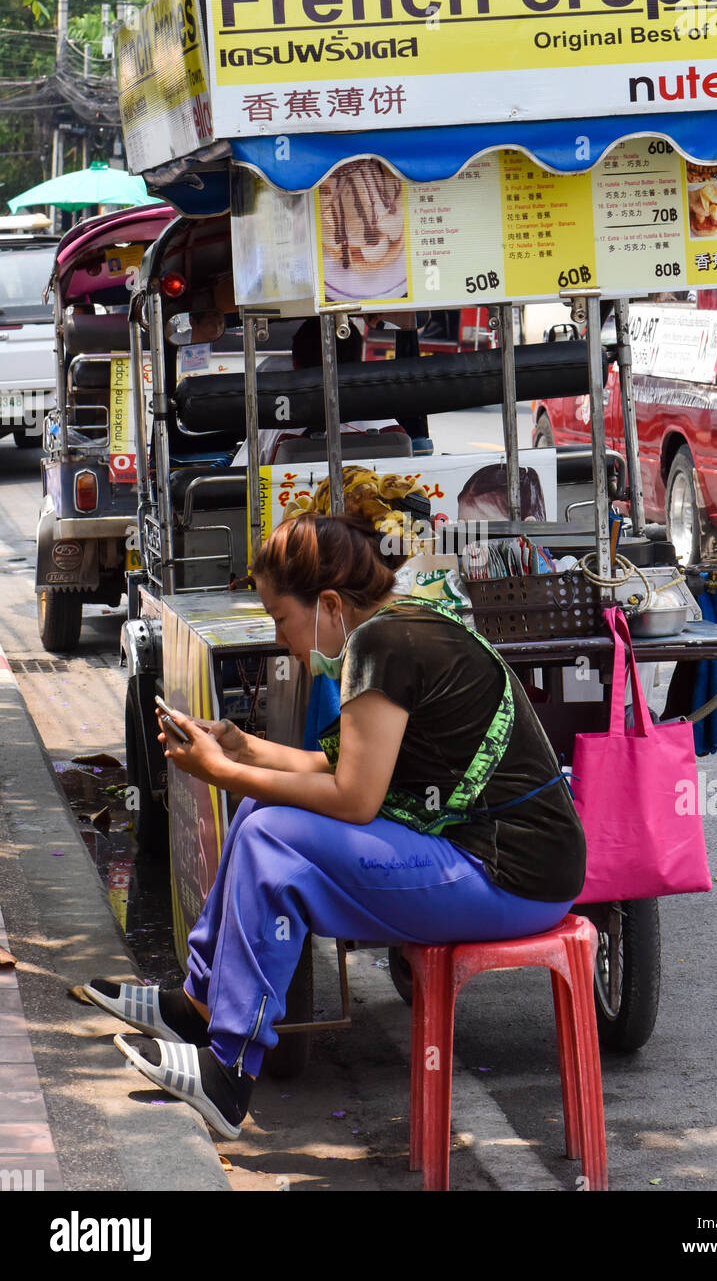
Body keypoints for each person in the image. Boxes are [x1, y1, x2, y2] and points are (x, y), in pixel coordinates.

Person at [83, 513, 584, 1140]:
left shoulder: (380, 645)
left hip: (509, 875)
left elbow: (353, 800)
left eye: (280, 618)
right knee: (259, 813)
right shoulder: (395, 628)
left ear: (326, 603)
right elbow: (345, 766)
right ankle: (199, 1005)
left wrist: (222, 772)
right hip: (484, 857)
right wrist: (242, 747)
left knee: (271, 837)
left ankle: (230, 1073)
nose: (281, 637)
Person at [231, 318, 406, 466]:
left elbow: (238, 484)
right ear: (358, 361)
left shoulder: (273, 425)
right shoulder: (389, 428)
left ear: (296, 364)